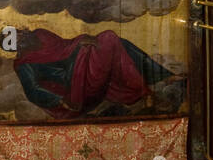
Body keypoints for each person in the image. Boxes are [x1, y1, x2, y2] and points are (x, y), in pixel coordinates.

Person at [12, 28, 179, 120]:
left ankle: (160, 76)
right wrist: (61, 100)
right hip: (76, 91)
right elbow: (33, 91)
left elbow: (65, 46)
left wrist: (80, 41)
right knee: (108, 38)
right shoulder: (24, 64)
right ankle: (146, 91)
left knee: (117, 44)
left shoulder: (41, 34)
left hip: (82, 66)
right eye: (16, 40)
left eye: (18, 33)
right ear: (16, 48)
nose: (20, 36)